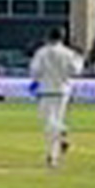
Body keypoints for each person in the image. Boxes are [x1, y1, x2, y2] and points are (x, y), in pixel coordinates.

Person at [29, 31, 85, 169]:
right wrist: (80, 58)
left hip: (46, 91)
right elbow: (76, 70)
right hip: (62, 91)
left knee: (49, 124)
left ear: (48, 37)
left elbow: (34, 71)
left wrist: (36, 82)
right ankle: (62, 135)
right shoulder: (68, 53)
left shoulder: (41, 52)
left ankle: (53, 155)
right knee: (54, 122)